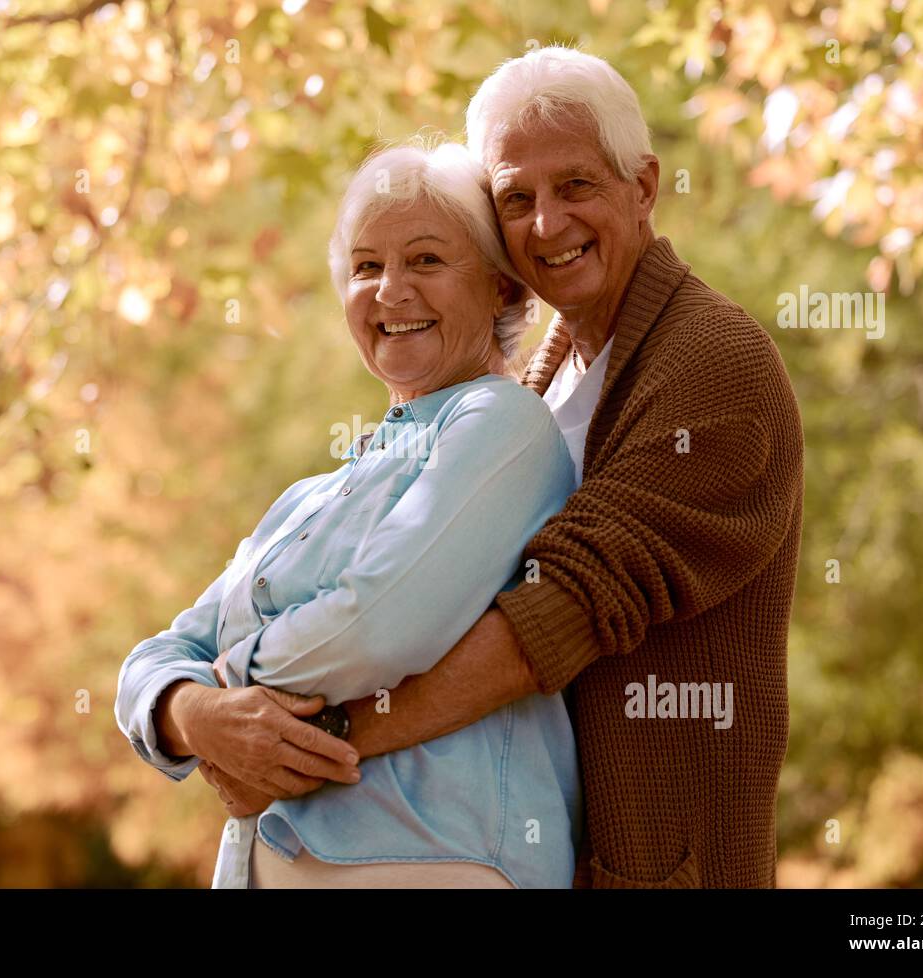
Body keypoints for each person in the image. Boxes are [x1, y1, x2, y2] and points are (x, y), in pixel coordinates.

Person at [180, 46, 805, 889]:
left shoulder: (710, 363)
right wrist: (198, 714)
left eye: (576, 186)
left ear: (645, 187)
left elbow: (549, 622)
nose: (546, 224)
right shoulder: (542, 375)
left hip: (666, 865)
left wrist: (297, 743)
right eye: (516, 198)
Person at [115, 142, 581, 888]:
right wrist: (192, 714)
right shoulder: (305, 499)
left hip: (434, 858)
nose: (390, 290)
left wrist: (227, 685)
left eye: (425, 260)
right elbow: (154, 656)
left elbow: (381, 621)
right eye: (367, 267)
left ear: (500, 289)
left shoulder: (502, 423)